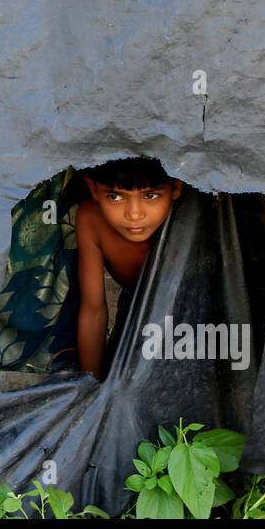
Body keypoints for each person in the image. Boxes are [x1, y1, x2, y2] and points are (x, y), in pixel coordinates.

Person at [75, 158, 182, 378]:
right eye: (115, 196)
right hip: (135, 320)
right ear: (93, 189)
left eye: (150, 195)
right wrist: (91, 389)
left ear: (177, 187)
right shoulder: (91, 219)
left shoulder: (194, 218)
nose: (134, 214)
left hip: (198, 327)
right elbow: (93, 310)